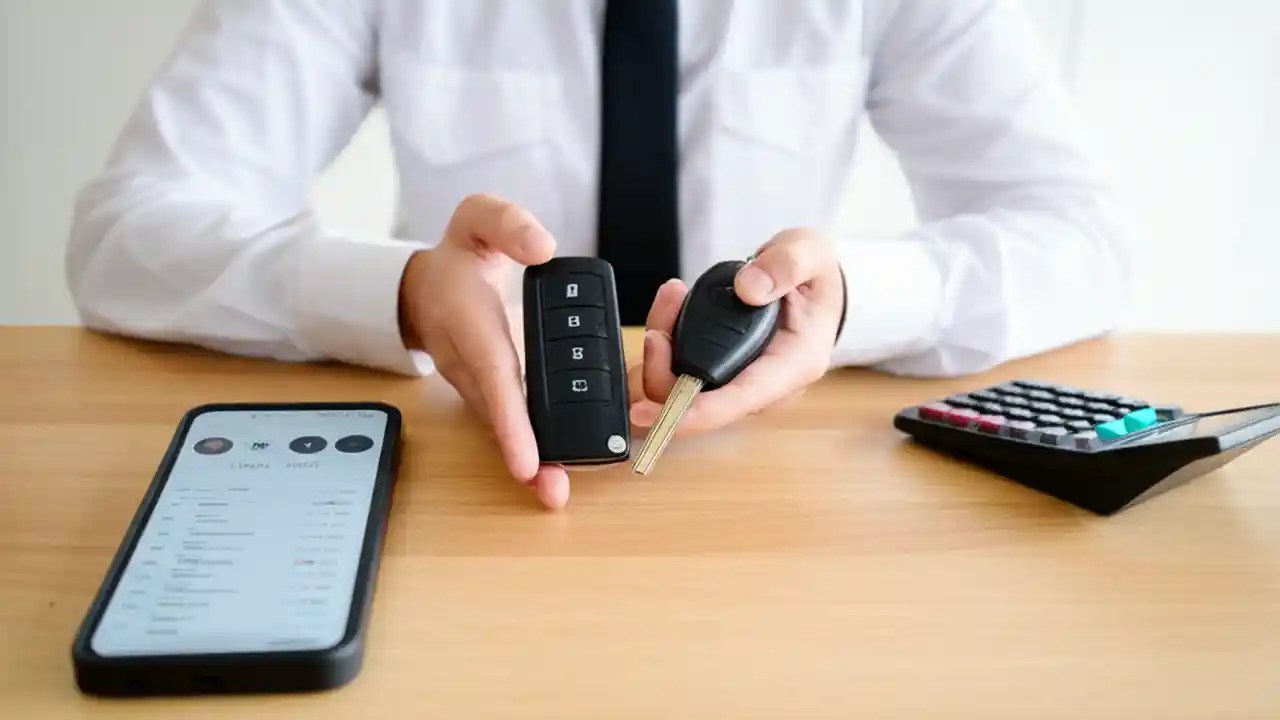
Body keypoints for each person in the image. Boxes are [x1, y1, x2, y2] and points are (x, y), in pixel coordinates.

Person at [66, 0, 1130, 509]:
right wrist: (396, 293)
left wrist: (850, 303)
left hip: (775, 501)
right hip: (466, 486)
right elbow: (126, 233)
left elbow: (1079, 238)